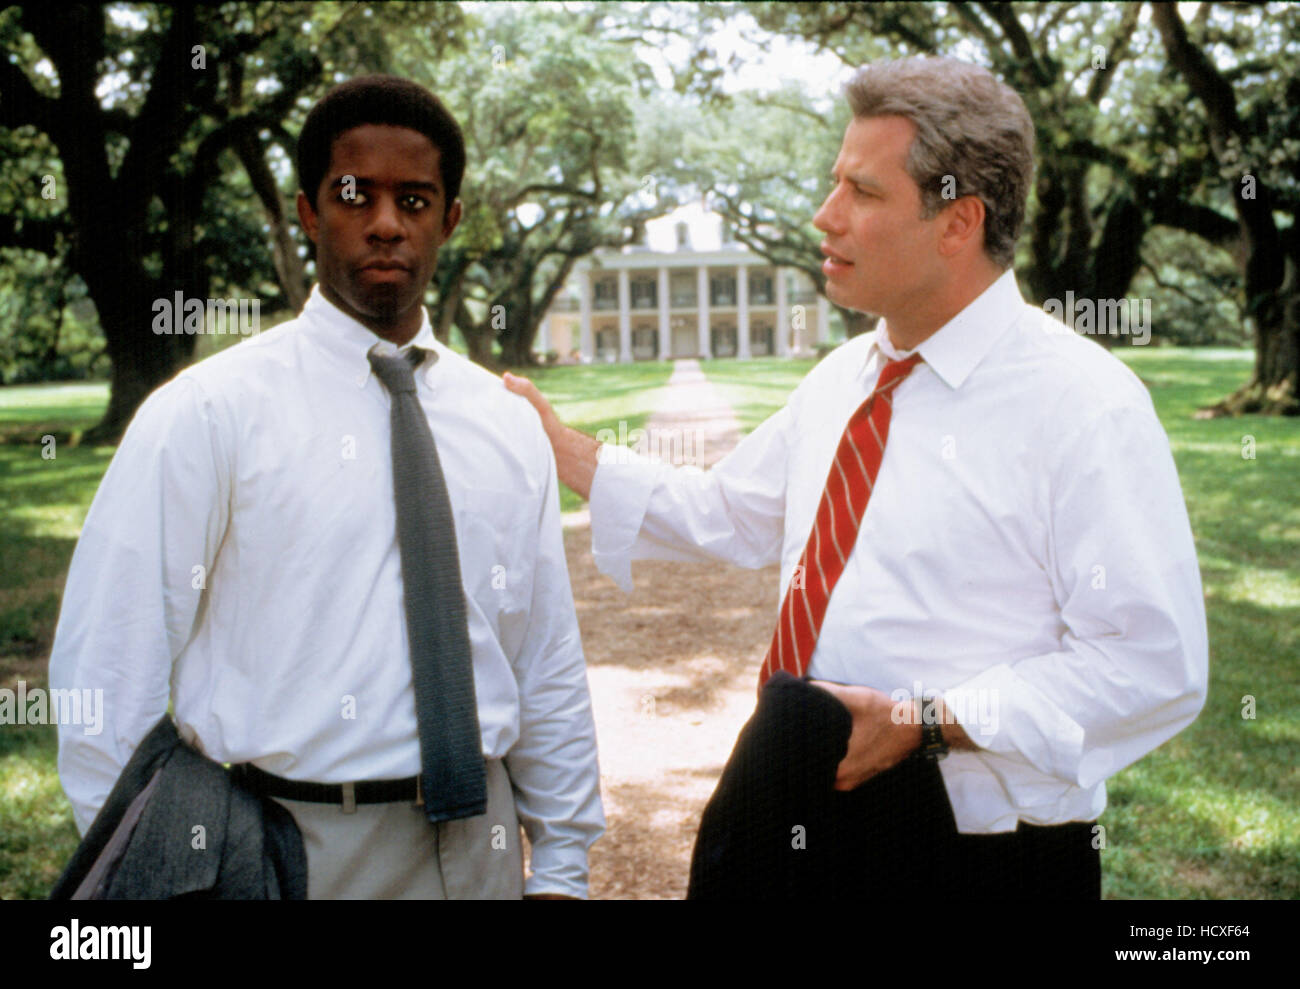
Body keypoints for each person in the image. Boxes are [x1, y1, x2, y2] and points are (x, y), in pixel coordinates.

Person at [504, 56, 1208, 898]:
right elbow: (730, 511)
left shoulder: (1084, 404)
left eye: (863, 192)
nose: (825, 214)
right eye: (836, 182)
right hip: (802, 801)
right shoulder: (844, 377)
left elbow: (1152, 663)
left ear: (959, 221)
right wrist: (565, 450)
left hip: (976, 859)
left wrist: (927, 723)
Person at [49, 74, 603, 900]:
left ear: (449, 220)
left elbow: (544, 656)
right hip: (279, 850)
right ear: (310, 213)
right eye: (354, 196)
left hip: (479, 848)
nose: (386, 223)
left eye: (413, 200)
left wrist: (561, 865)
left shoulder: (504, 422)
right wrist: (155, 870)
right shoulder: (209, 412)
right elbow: (109, 661)